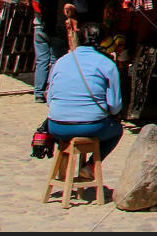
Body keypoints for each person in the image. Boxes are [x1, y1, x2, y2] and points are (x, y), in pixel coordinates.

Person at [46, 23, 123, 179]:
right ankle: (90, 166)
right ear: (103, 40)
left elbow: (49, 100)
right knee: (117, 130)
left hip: (56, 126)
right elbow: (115, 106)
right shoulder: (107, 64)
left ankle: (64, 171)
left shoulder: (61, 61)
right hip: (91, 127)